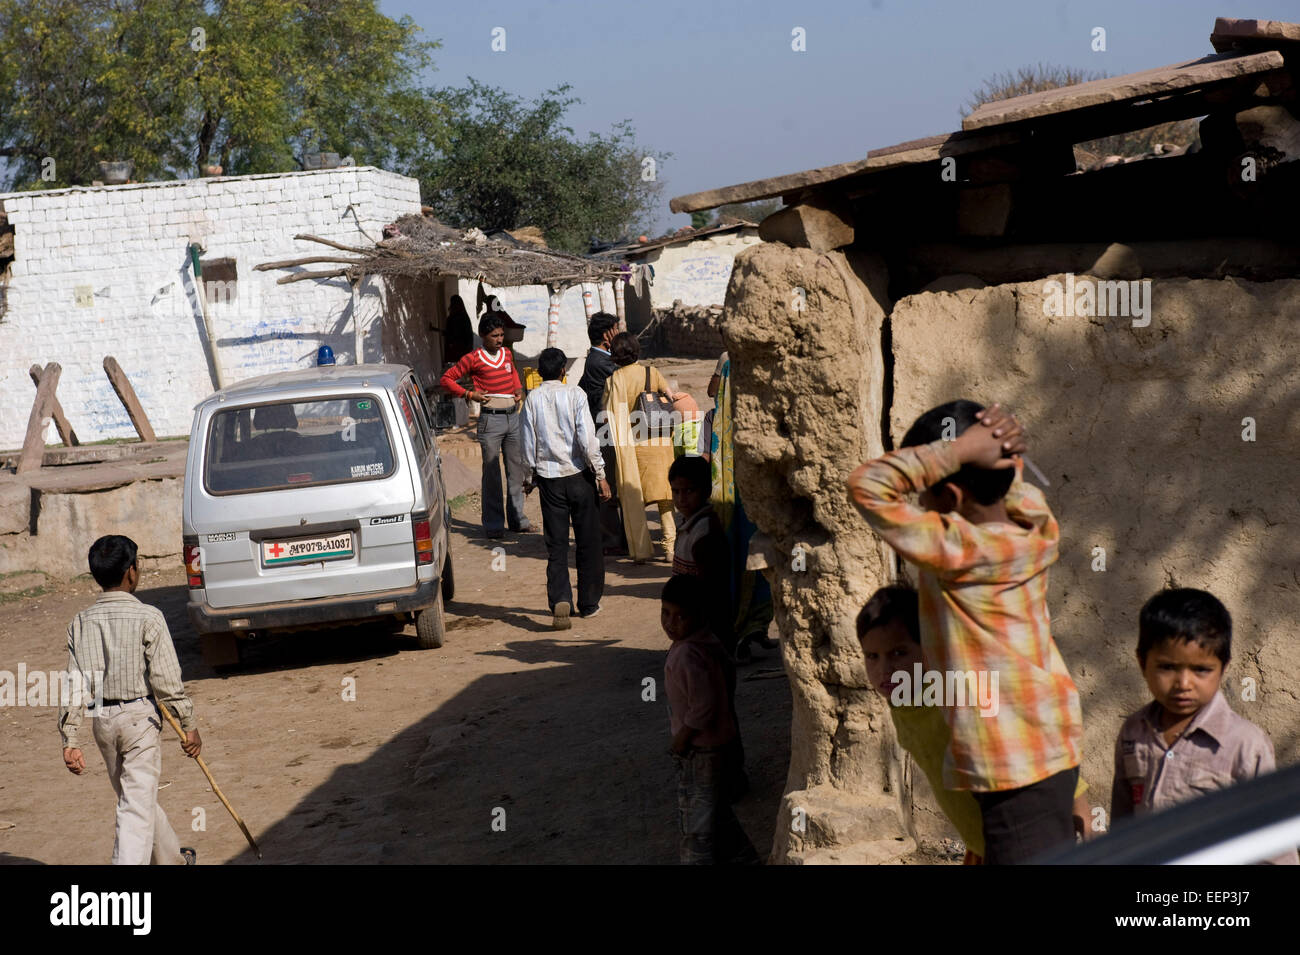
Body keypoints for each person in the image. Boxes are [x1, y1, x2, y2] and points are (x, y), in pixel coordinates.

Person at [847, 401, 1084, 864]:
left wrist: (961, 448)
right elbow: (1013, 489)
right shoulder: (1034, 524)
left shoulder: (959, 552)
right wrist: (991, 450)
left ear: (951, 500)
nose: (918, 505)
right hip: (1045, 751)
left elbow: (867, 486)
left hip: (1012, 769)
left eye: (924, 498)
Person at [857, 584, 1094, 864]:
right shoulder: (901, 698)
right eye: (872, 656)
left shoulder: (958, 693)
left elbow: (1035, 734)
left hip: (1026, 834)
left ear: (931, 647)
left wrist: (1080, 805)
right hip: (982, 844)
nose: (884, 669)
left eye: (898, 653)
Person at [1111, 588, 1297, 864]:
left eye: (1201, 670)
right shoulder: (1134, 732)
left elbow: (1274, 846)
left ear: (1223, 667)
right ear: (1142, 662)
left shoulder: (1244, 744)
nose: (1183, 684)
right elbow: (1122, 825)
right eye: (1167, 667)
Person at [57, 535, 202, 865]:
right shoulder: (149, 617)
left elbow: (75, 684)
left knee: (136, 798)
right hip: (140, 721)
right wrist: (188, 722)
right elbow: (165, 682)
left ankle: (174, 862)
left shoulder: (80, 623)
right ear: (131, 572)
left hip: (102, 723)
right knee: (134, 808)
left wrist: (70, 738)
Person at [662, 574, 760, 865]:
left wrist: (681, 740)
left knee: (697, 823)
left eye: (681, 616)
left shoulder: (688, 654)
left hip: (701, 750)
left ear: (698, 616)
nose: (671, 622)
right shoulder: (709, 643)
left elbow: (703, 708)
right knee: (718, 814)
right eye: (666, 613)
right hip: (721, 743)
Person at [669, 454, 748, 798]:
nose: (681, 497)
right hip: (696, 630)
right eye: (676, 491)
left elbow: (710, 591)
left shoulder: (705, 532)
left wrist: (699, 631)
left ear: (704, 491)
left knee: (717, 709)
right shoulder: (688, 524)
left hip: (708, 631)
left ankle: (730, 779)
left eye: (688, 491)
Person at [521, 347, 613, 630]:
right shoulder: (575, 394)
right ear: (563, 371)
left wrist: (528, 477)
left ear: (539, 373)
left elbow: (527, 444)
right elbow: (587, 440)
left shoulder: (532, 399)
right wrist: (600, 474)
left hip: (549, 481)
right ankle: (588, 603)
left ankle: (560, 598)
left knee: (556, 545)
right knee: (588, 542)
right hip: (579, 478)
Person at [440, 312, 533, 539]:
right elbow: (447, 379)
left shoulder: (507, 353)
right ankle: (493, 525)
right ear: (483, 336)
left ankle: (518, 520)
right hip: (491, 419)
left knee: (516, 470)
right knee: (491, 473)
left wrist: (518, 389)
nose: (499, 339)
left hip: (513, 417)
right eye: (495, 336)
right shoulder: (473, 358)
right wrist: (469, 394)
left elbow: (513, 376)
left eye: (501, 335)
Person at [707, 351, 774, 661]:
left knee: (744, 545)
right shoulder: (767, 357)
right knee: (757, 544)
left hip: (733, 469)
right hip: (758, 470)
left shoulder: (726, 359)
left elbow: (712, 391)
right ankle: (752, 628)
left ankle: (747, 627)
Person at [601, 331, 683, 563]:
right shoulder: (652, 372)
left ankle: (640, 550)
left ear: (614, 356)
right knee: (666, 498)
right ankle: (669, 549)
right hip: (659, 443)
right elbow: (670, 396)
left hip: (633, 448)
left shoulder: (613, 380)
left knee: (634, 499)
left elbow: (608, 416)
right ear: (636, 350)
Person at [576, 312, 626, 556]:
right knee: (609, 486)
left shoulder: (602, 359)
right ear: (608, 335)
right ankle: (611, 539)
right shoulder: (600, 362)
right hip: (604, 431)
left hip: (611, 428)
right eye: (617, 329)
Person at [444, 294, 475, 366]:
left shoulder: (455, 318)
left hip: (457, 352)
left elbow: (454, 334)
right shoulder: (464, 317)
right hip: (464, 353)